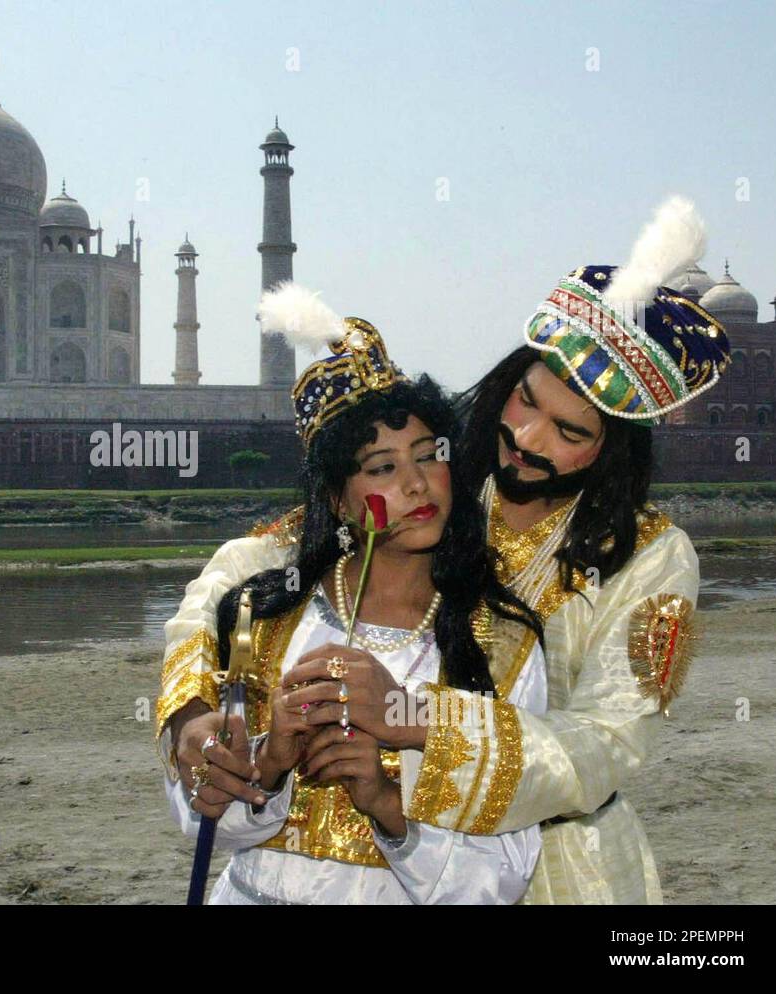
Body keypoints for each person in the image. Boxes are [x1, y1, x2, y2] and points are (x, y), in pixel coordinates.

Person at [158, 197, 731, 903]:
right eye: (526, 400)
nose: (528, 438)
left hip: (556, 861)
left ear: (615, 449)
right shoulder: (441, 472)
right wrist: (189, 715)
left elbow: (606, 745)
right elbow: (240, 572)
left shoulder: (649, 553)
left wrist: (406, 714)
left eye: (570, 433)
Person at [161, 287, 549, 904]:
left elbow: (498, 880)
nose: (417, 483)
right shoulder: (265, 618)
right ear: (339, 499)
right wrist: (269, 762)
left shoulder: (500, 642)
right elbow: (205, 825)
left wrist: (386, 803)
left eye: (429, 457)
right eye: (382, 468)